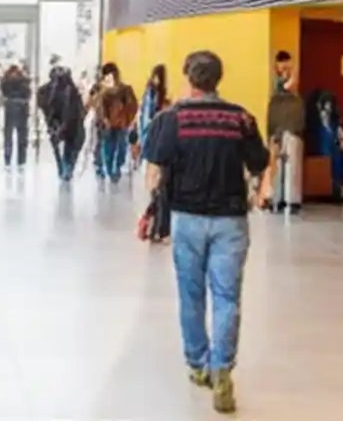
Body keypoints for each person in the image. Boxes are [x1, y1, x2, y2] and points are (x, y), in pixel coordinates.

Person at [142, 51, 270, 414]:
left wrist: (151, 207)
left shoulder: (173, 118)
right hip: (231, 220)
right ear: (219, 78)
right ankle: (222, 369)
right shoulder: (240, 118)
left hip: (187, 218)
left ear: (188, 77)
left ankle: (198, 365)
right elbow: (259, 161)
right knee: (228, 296)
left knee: (191, 294)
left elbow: (156, 165)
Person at [92, 63, 139, 183]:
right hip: (108, 125)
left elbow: (133, 105)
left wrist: (129, 119)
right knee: (109, 148)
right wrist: (104, 119)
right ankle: (110, 169)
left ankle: (116, 168)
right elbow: (99, 107)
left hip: (121, 124)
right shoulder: (102, 90)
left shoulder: (125, 89)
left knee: (121, 147)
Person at [39, 68, 85, 182]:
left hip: (59, 122)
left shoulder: (48, 89)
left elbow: (45, 104)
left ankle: (63, 168)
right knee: (70, 147)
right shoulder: (71, 89)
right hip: (68, 123)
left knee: (60, 147)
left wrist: (49, 118)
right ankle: (66, 168)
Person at [0, 65, 31, 168]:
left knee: (8, 134)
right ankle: (21, 160)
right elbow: (28, 93)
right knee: (22, 134)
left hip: (10, 105)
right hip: (22, 106)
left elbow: (3, 91)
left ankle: (7, 159)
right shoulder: (24, 80)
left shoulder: (6, 80)